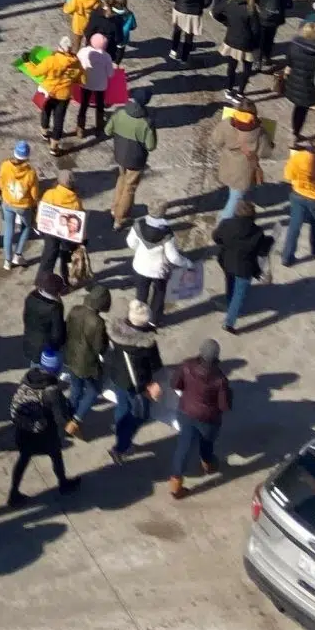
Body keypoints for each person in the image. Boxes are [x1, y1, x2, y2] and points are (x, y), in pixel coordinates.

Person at [168, 340, 233, 498]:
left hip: (185, 412)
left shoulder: (186, 365)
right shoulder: (220, 379)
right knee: (207, 442)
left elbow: (175, 384)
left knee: (184, 446)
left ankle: (176, 485)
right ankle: (208, 463)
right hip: (208, 418)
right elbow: (224, 406)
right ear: (216, 356)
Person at [7, 353, 73, 503]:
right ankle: (63, 484)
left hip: (23, 429)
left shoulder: (29, 377)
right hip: (43, 432)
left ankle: (13, 492)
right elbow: (60, 419)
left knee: (23, 458)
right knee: (56, 454)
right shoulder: (52, 391)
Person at [106, 303, 164, 458]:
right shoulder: (146, 342)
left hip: (118, 376)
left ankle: (119, 431)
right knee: (141, 415)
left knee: (122, 406)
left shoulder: (115, 331)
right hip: (136, 385)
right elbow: (155, 365)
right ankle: (120, 447)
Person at [214, 200, 271, 333]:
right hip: (245, 267)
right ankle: (229, 323)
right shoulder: (257, 232)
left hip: (227, 261)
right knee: (239, 294)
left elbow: (216, 237)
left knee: (230, 284)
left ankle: (230, 305)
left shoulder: (226, 224)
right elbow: (261, 252)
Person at [62, 286, 111, 434]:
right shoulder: (98, 322)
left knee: (76, 389)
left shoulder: (75, 310)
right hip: (87, 364)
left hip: (71, 357)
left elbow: (66, 329)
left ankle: (66, 416)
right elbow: (100, 348)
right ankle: (76, 420)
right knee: (94, 390)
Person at [107, 87, 157, 233]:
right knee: (130, 188)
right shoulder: (147, 122)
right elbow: (151, 145)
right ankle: (120, 218)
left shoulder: (119, 113)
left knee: (121, 179)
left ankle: (114, 208)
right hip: (136, 159)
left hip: (120, 155)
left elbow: (107, 131)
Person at [127, 213, 188, 324]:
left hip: (141, 265)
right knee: (159, 294)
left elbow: (131, 243)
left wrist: (141, 251)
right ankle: (154, 320)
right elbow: (173, 257)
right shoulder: (166, 233)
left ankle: (138, 319)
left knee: (141, 293)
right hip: (159, 270)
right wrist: (185, 262)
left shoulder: (138, 224)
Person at [282, 133, 315, 264]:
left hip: (298, 195)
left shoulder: (298, 157)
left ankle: (287, 256)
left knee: (294, 226)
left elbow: (288, 175)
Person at [35, 173, 84, 288]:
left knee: (48, 256)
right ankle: (66, 280)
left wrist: (39, 224)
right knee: (66, 257)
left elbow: (42, 212)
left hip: (51, 232)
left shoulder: (50, 194)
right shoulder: (76, 201)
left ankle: (41, 282)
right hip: (67, 236)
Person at [218, 104, 268, 215]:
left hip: (228, 164)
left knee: (234, 193)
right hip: (244, 170)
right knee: (234, 200)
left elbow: (216, 140)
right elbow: (265, 153)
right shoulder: (260, 130)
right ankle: (223, 226)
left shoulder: (227, 123)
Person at [282, 27, 315, 141]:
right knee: (304, 109)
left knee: (299, 108)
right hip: (311, 86)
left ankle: (295, 132)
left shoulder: (295, 46)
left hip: (296, 82)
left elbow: (289, 62)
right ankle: (297, 132)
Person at [0, 140, 41, 268]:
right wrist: (36, 204)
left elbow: (1, 183)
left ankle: (7, 260)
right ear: (27, 156)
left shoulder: (5, 166)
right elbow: (34, 194)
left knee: (8, 230)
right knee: (27, 227)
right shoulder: (30, 173)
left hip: (7, 202)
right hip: (23, 206)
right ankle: (18, 255)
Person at [23, 269, 70, 363]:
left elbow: (25, 318)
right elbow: (57, 334)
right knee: (46, 372)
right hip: (46, 350)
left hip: (30, 342)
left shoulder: (31, 296)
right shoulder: (55, 308)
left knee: (35, 367)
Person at [76, 33, 116, 140]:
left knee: (83, 106)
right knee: (100, 107)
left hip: (86, 83)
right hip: (100, 85)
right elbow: (110, 74)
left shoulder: (83, 52)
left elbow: (76, 63)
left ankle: (80, 129)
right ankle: (99, 128)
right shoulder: (106, 56)